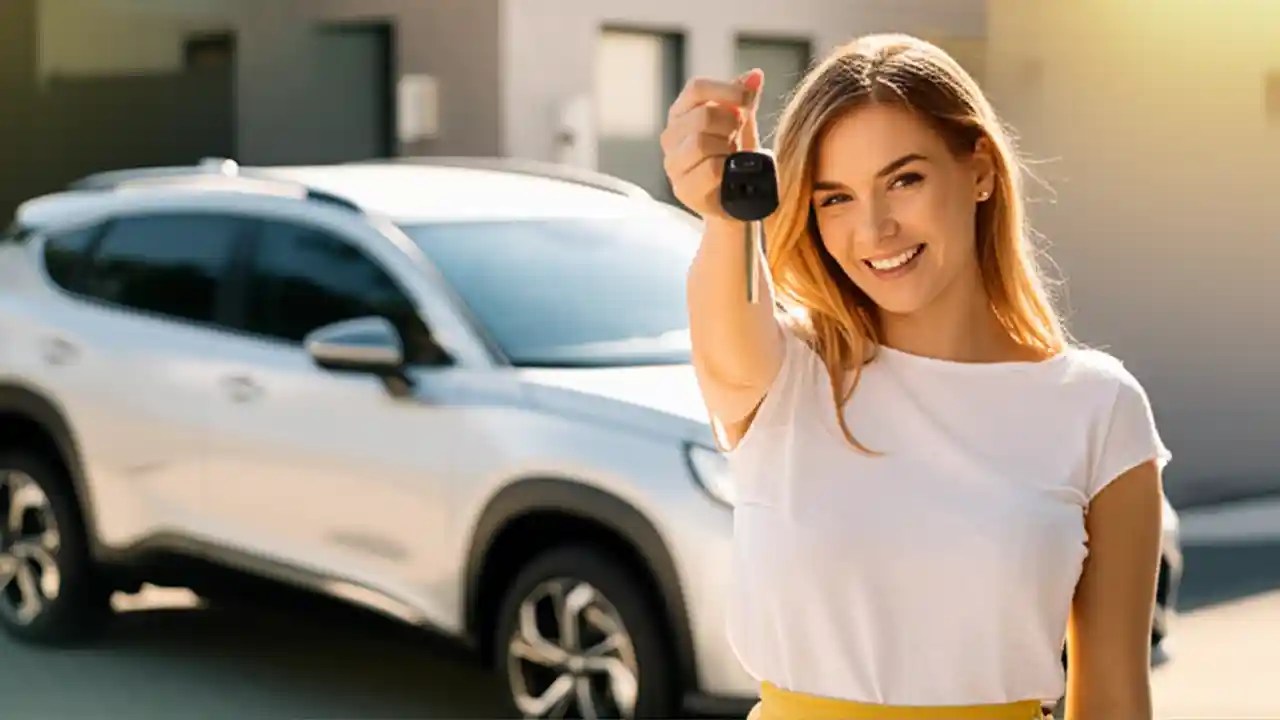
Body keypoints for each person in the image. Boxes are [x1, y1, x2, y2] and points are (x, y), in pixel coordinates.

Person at [663, 33, 1171, 720]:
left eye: (904, 179)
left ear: (981, 171)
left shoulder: (1098, 409)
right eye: (834, 198)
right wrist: (727, 214)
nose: (874, 230)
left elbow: (1113, 700)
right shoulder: (788, 377)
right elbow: (727, 332)